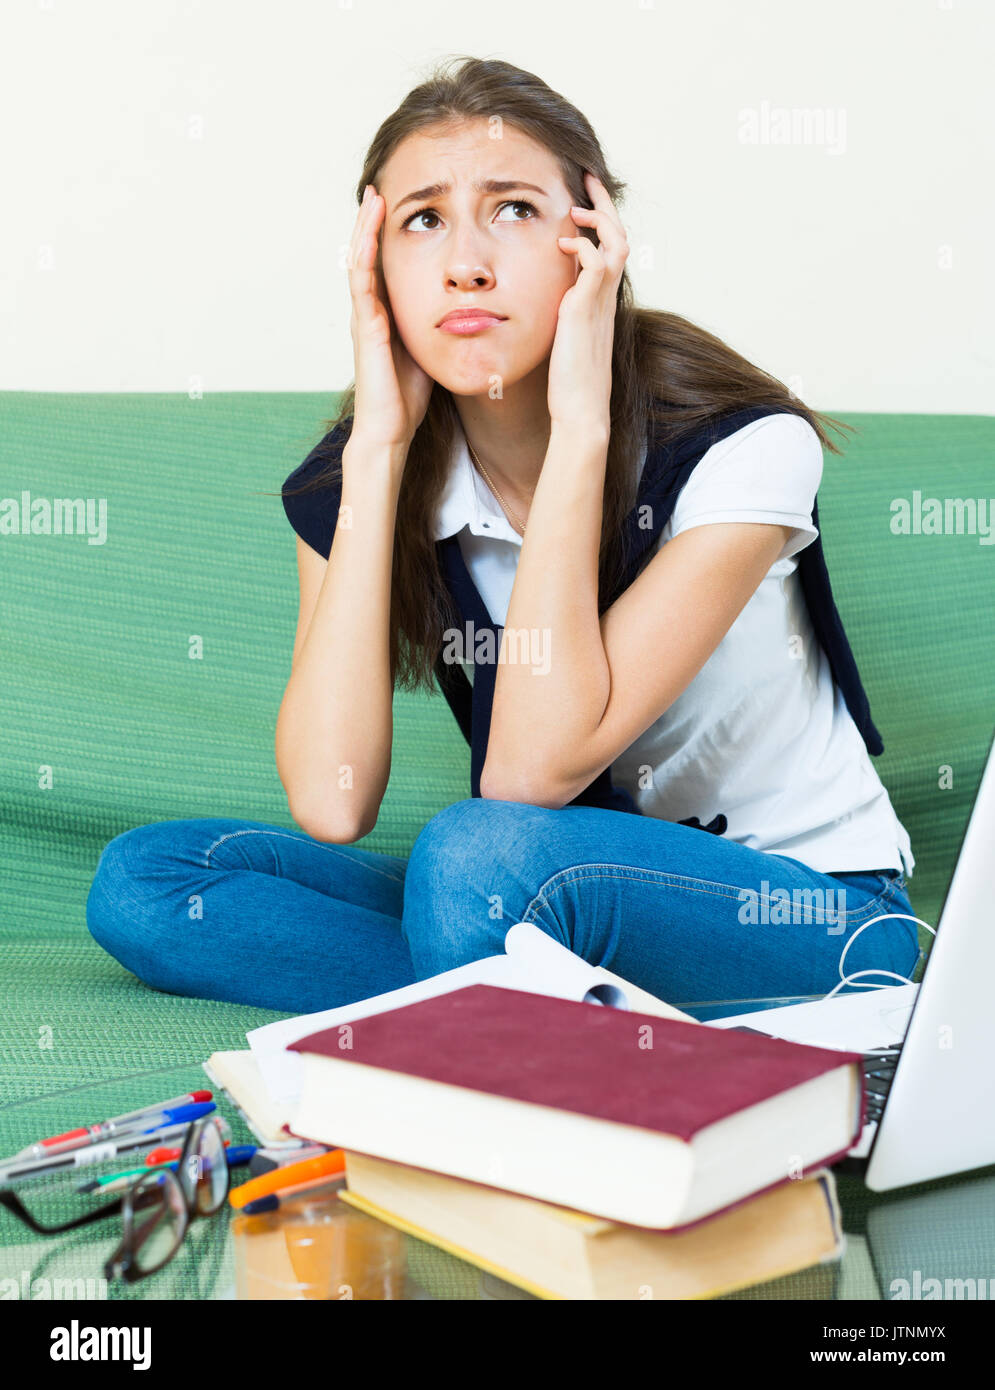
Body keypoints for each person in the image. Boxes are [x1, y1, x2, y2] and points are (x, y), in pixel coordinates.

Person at [86, 56, 922, 1018]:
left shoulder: (744, 446)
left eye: (515, 210)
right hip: (533, 903)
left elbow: (530, 774)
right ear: (375, 267)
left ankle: (517, 1010)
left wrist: (581, 430)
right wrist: (378, 447)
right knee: (152, 882)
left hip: (802, 917)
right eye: (423, 220)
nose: (465, 262)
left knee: (475, 855)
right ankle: (572, 1009)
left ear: (593, 242)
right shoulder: (371, 470)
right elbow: (332, 798)